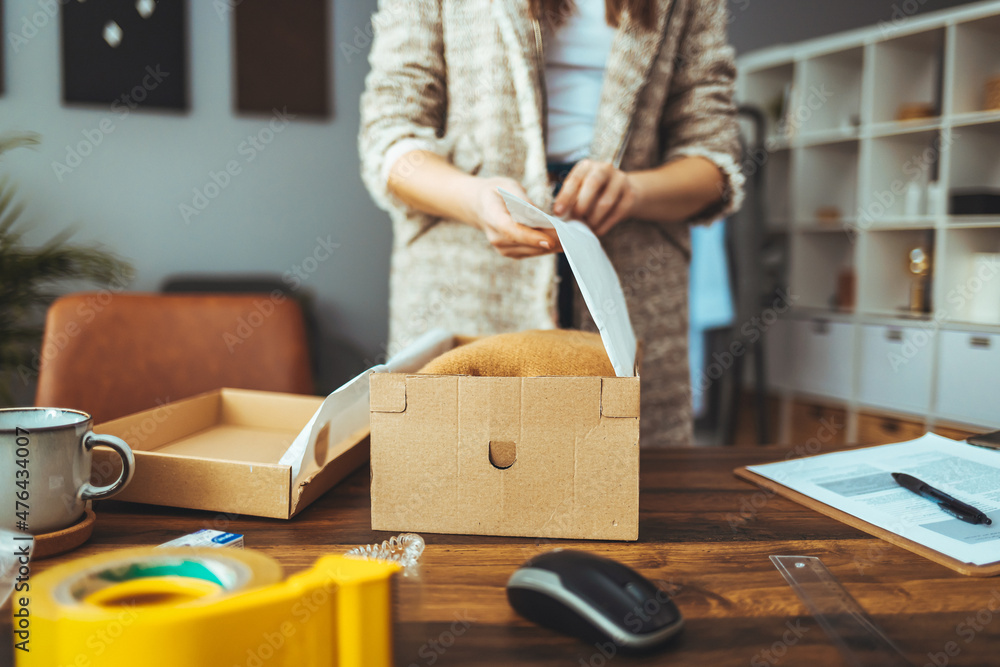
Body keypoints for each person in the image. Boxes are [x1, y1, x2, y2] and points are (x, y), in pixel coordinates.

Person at [359, 0, 744, 447]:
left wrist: (634, 191)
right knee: (456, 469)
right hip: (468, 266)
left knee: (627, 483)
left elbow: (716, 160)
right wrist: (474, 199)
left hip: (633, 266)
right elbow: (389, 135)